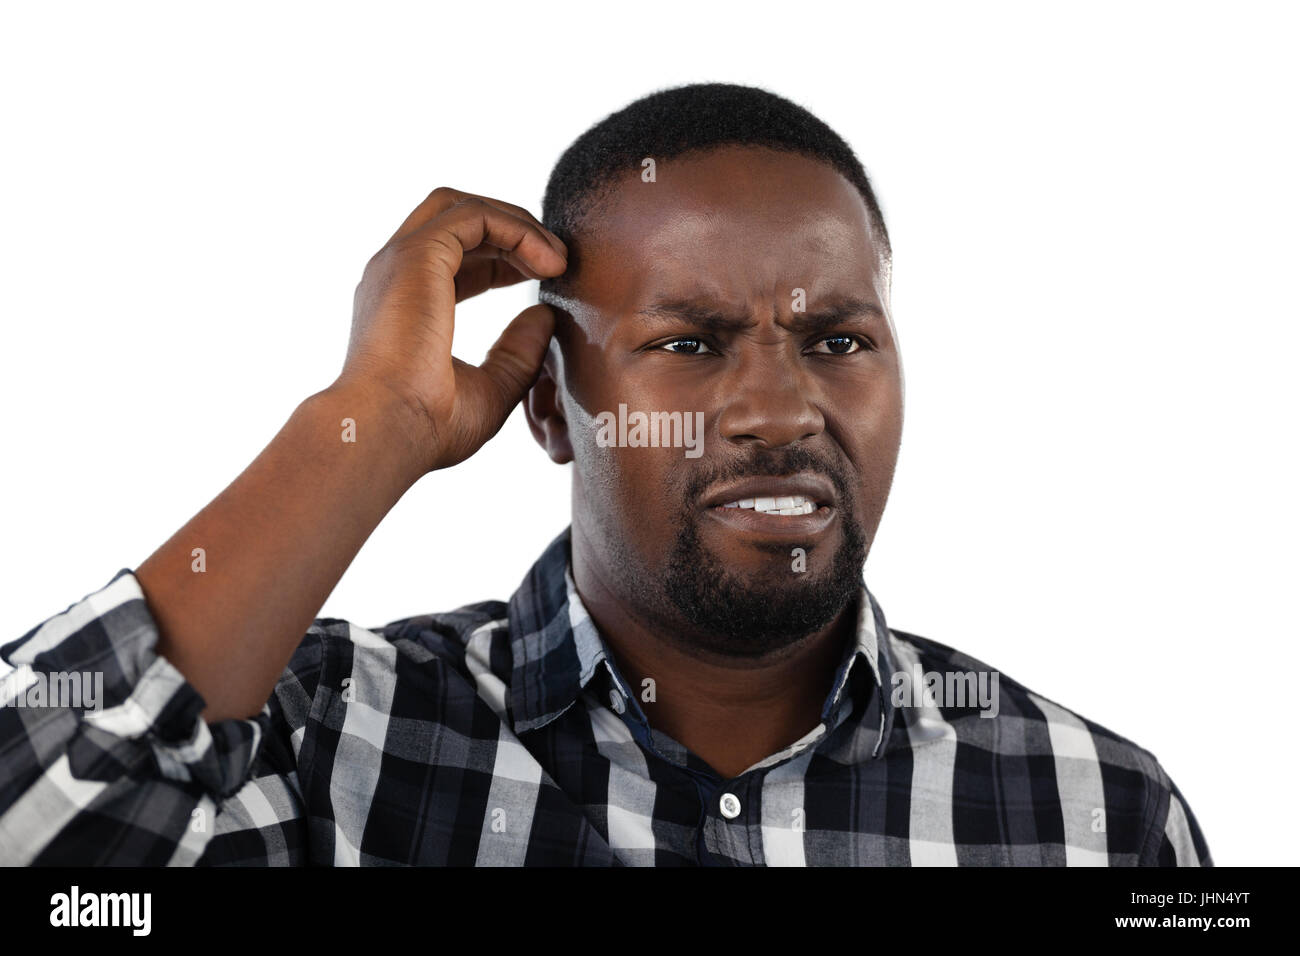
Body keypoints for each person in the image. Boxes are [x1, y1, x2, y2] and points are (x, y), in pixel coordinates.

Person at [0, 82, 1211, 866]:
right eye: (689, 344)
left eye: (836, 340)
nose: (778, 409)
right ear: (551, 410)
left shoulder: (1093, 812)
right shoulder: (319, 741)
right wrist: (365, 423)